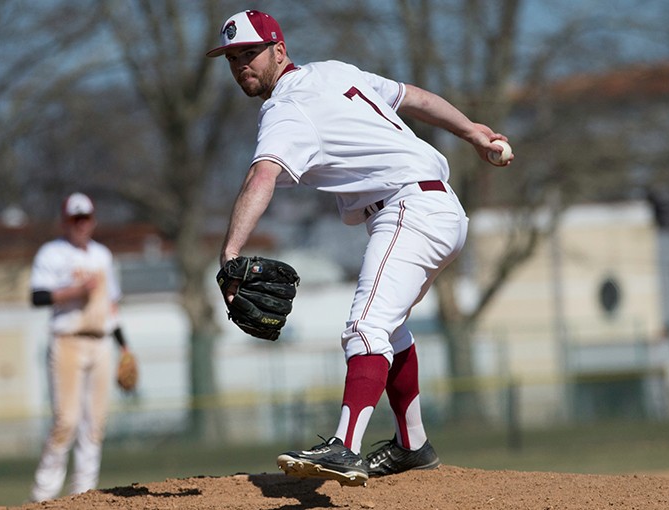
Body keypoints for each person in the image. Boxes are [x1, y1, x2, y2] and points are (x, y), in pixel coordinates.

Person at [208, 10, 514, 486]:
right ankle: (412, 445)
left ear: (279, 50)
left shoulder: (286, 107)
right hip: (438, 208)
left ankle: (345, 446)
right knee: (388, 329)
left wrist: (229, 255)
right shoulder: (334, 71)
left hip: (408, 209)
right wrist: (471, 130)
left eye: (250, 52)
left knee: (364, 327)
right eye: (232, 57)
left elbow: (261, 175)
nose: (241, 64)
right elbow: (412, 97)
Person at [28, 192, 131, 501]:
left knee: (94, 425)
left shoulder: (102, 255)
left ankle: (82, 497)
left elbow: (110, 305)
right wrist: (75, 291)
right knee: (66, 421)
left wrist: (124, 347)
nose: (80, 225)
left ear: (93, 221)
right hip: (67, 342)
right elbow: (37, 297)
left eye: (85, 218)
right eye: (75, 219)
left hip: (100, 342)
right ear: (64, 222)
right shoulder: (52, 254)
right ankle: (43, 497)